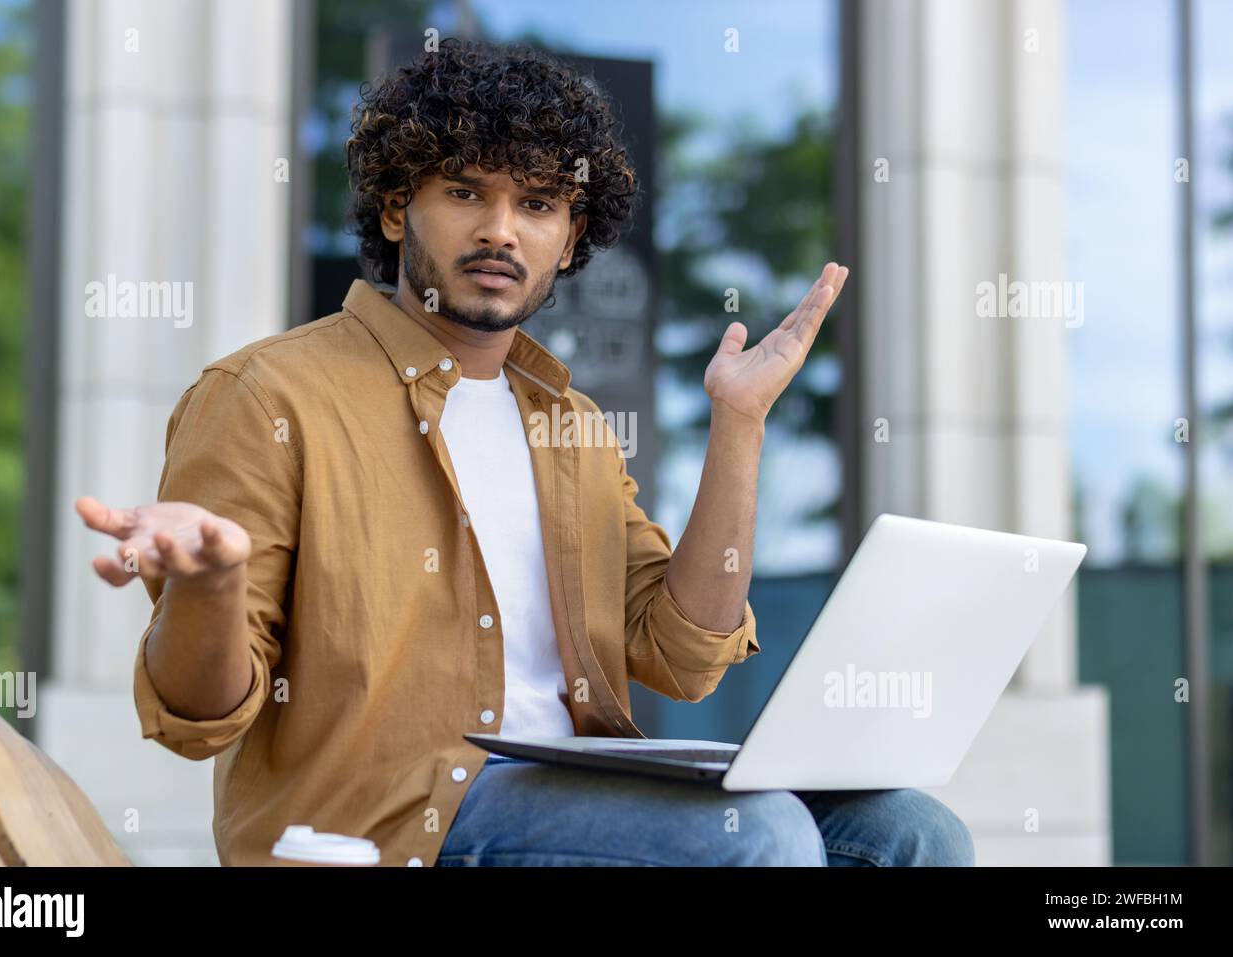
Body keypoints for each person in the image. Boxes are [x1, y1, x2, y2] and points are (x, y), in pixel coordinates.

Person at [76, 38, 972, 867]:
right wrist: (209, 586)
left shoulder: (570, 423)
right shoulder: (267, 396)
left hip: (584, 792)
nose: (502, 230)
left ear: (570, 240)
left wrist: (739, 424)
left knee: (911, 833)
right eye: (466, 191)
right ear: (396, 210)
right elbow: (197, 720)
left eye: (538, 204)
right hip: (387, 825)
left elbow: (683, 654)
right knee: (760, 837)